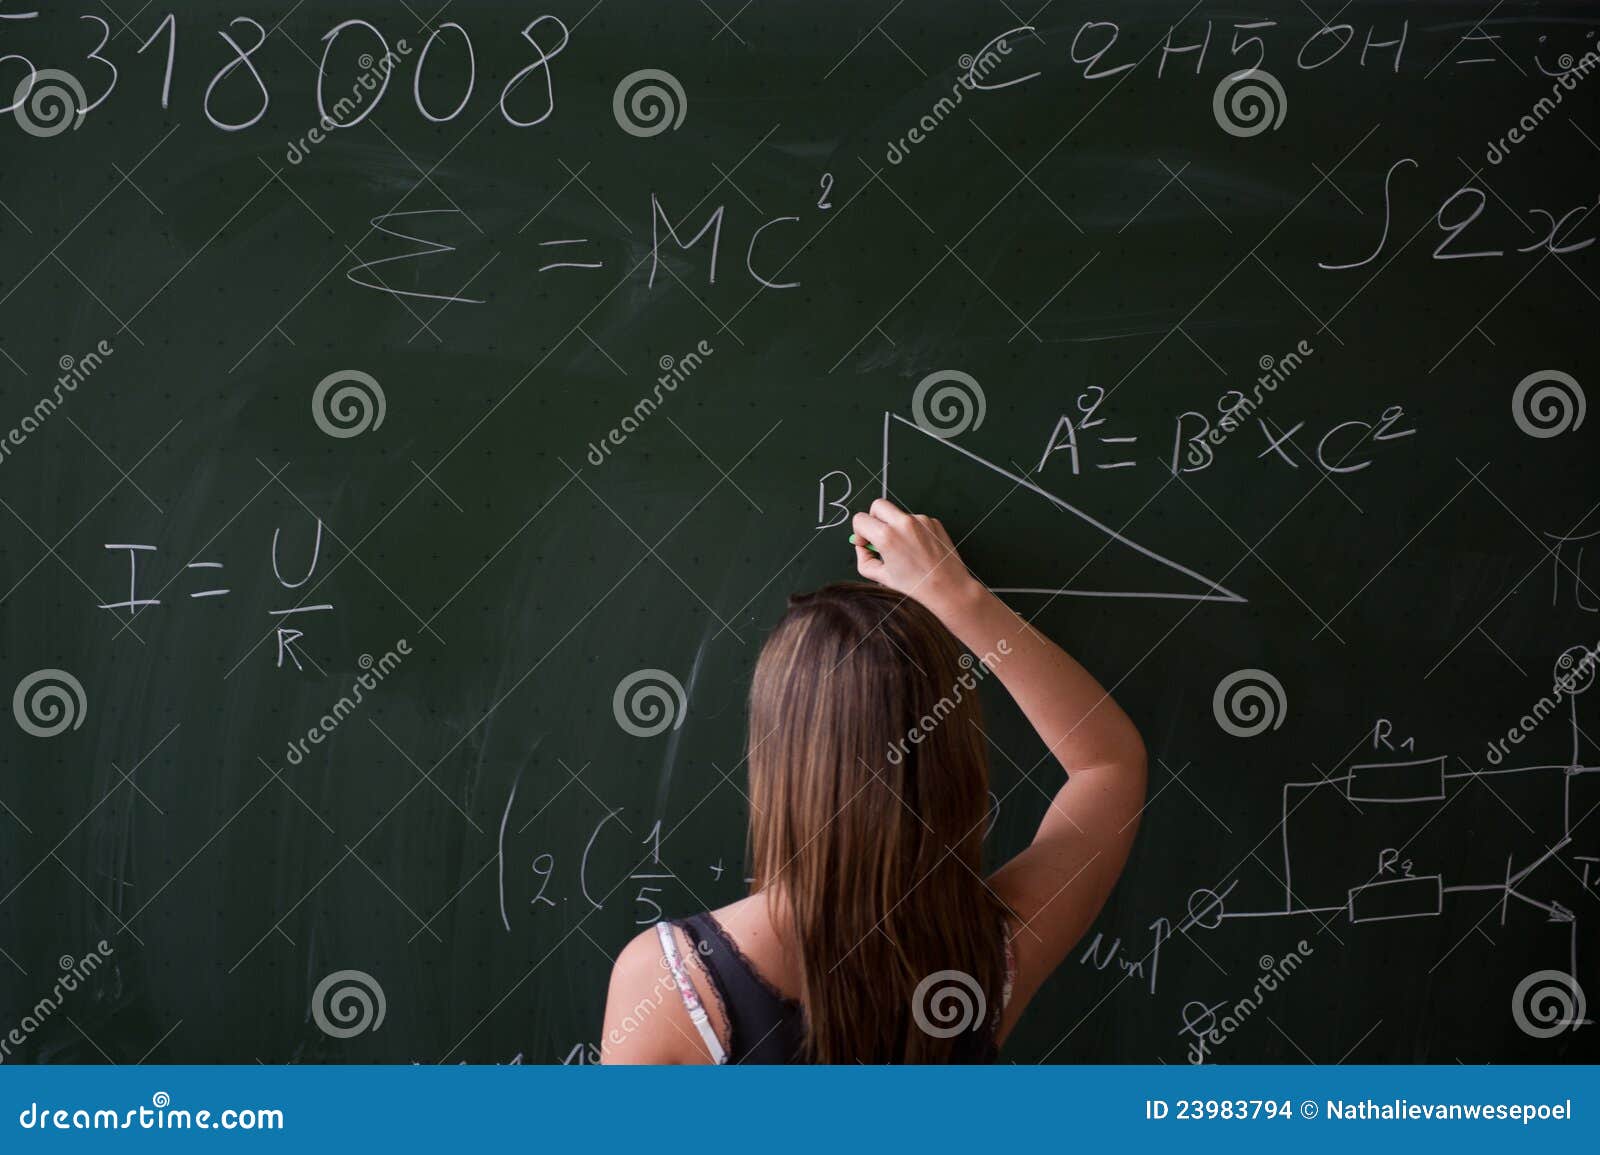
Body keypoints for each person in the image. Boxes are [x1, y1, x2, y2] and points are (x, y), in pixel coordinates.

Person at [600, 498, 1147, 1063]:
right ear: (952, 755)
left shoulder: (665, 984)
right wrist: (958, 598)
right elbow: (1108, 762)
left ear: (777, 757)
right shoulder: (996, 953)